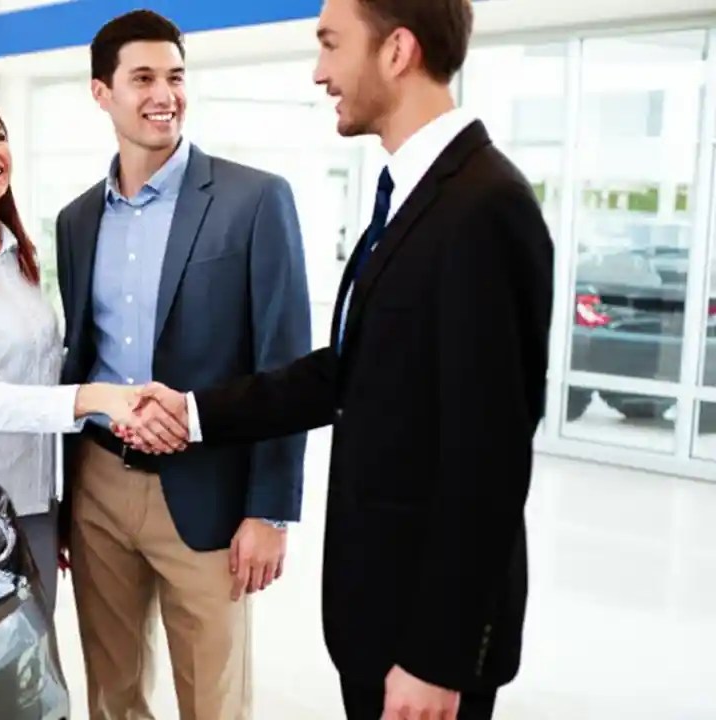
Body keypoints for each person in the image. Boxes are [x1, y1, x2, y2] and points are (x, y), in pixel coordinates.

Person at [119, 1, 555, 718]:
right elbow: (347, 372)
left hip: (423, 639)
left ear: (397, 51)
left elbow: (490, 460)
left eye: (330, 45)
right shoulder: (410, 195)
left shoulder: (484, 208)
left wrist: (437, 659)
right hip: (381, 612)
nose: (320, 73)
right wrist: (192, 411)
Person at [53, 10, 312, 720]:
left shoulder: (253, 199)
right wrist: (62, 502)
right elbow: (81, 357)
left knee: (214, 700)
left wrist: (269, 509)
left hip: (210, 488)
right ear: (102, 93)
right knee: (112, 694)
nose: (163, 94)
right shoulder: (76, 221)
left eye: (175, 77)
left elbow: (285, 363)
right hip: (98, 486)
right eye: (142, 78)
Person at [0, 95, 183, 617]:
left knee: (34, 650)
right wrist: (97, 398)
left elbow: (42, 371)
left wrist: (57, 503)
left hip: (34, 503)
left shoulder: (16, 257)